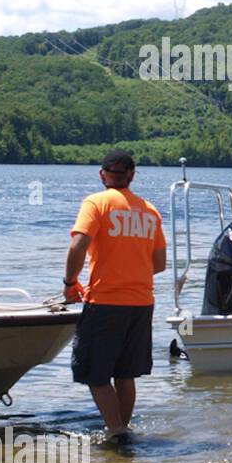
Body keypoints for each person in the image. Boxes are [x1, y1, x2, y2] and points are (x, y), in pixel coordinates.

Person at [64, 149, 167, 438]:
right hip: (142, 303)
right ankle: (123, 430)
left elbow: (78, 246)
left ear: (102, 174)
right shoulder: (150, 211)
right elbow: (158, 264)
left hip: (106, 301)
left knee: (95, 374)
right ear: (132, 176)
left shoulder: (96, 203)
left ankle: (117, 431)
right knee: (125, 373)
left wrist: (70, 282)